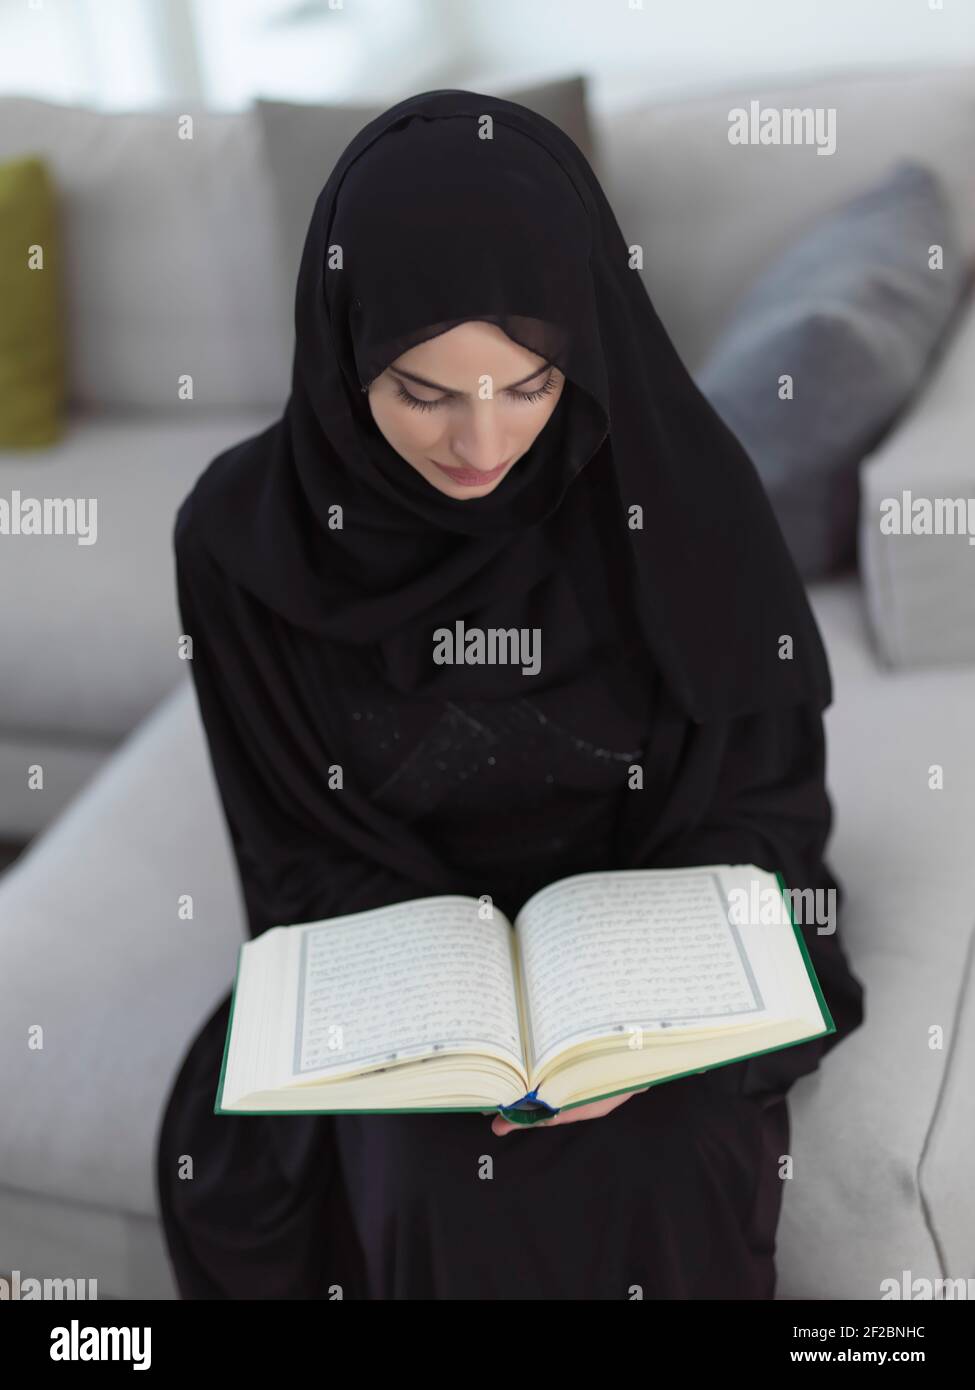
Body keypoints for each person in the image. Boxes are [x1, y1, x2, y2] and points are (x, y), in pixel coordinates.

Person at [155, 89, 865, 1300]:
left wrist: (643, 1025)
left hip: (658, 946)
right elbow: (295, 862)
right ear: (340, 358)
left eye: (528, 384)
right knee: (429, 1173)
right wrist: (457, 1038)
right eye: (423, 393)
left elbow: (764, 811)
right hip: (399, 977)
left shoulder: (679, 494)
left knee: (665, 1152)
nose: (481, 444)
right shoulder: (240, 544)